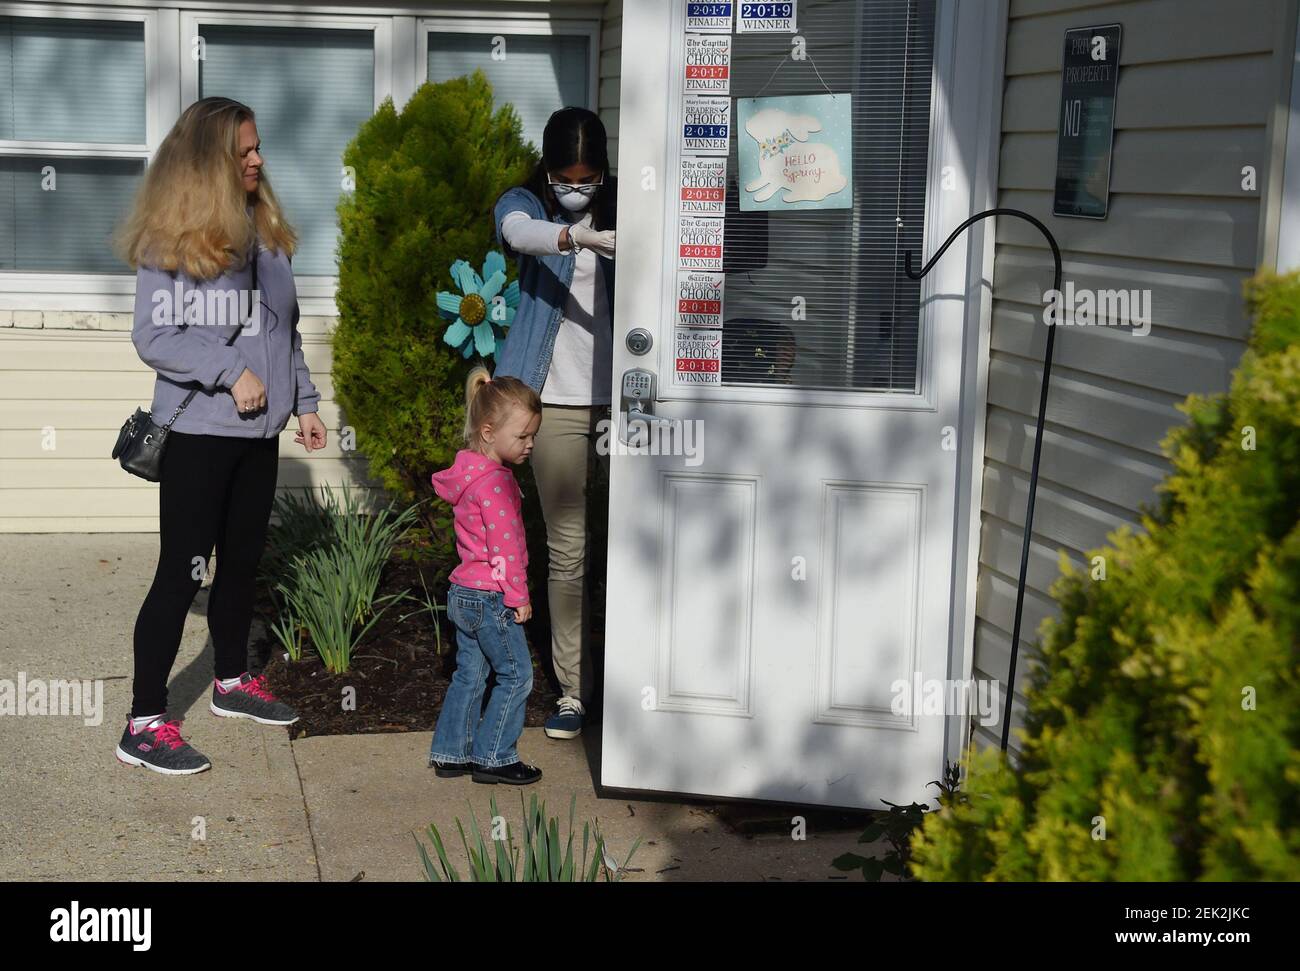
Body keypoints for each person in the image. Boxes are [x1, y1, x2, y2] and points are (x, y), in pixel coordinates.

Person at [114, 97, 327, 776]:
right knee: (182, 572)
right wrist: (229, 370)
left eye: (258, 148)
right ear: (210, 163)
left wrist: (307, 401)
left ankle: (231, 681)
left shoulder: (264, 231)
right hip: (199, 435)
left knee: (241, 563)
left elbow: (281, 330)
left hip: (257, 433)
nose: (258, 159)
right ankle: (144, 720)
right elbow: (153, 335)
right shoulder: (169, 242)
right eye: (244, 151)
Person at [492, 106, 616, 740]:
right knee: (567, 553)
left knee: (630, 549)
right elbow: (519, 234)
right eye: (568, 178)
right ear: (547, 171)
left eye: (589, 180)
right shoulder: (526, 203)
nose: (578, 189)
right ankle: (573, 692)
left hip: (627, 405)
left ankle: (628, 683)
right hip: (557, 403)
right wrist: (577, 238)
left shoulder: (624, 209)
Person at [428, 368, 544, 784]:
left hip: (463, 591)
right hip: (493, 594)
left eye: (533, 436)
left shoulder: (469, 472)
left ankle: (450, 752)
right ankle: (495, 756)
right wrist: (518, 595)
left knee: (471, 673)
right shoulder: (495, 483)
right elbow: (506, 548)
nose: (529, 444)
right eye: (522, 436)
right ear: (489, 430)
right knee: (516, 675)